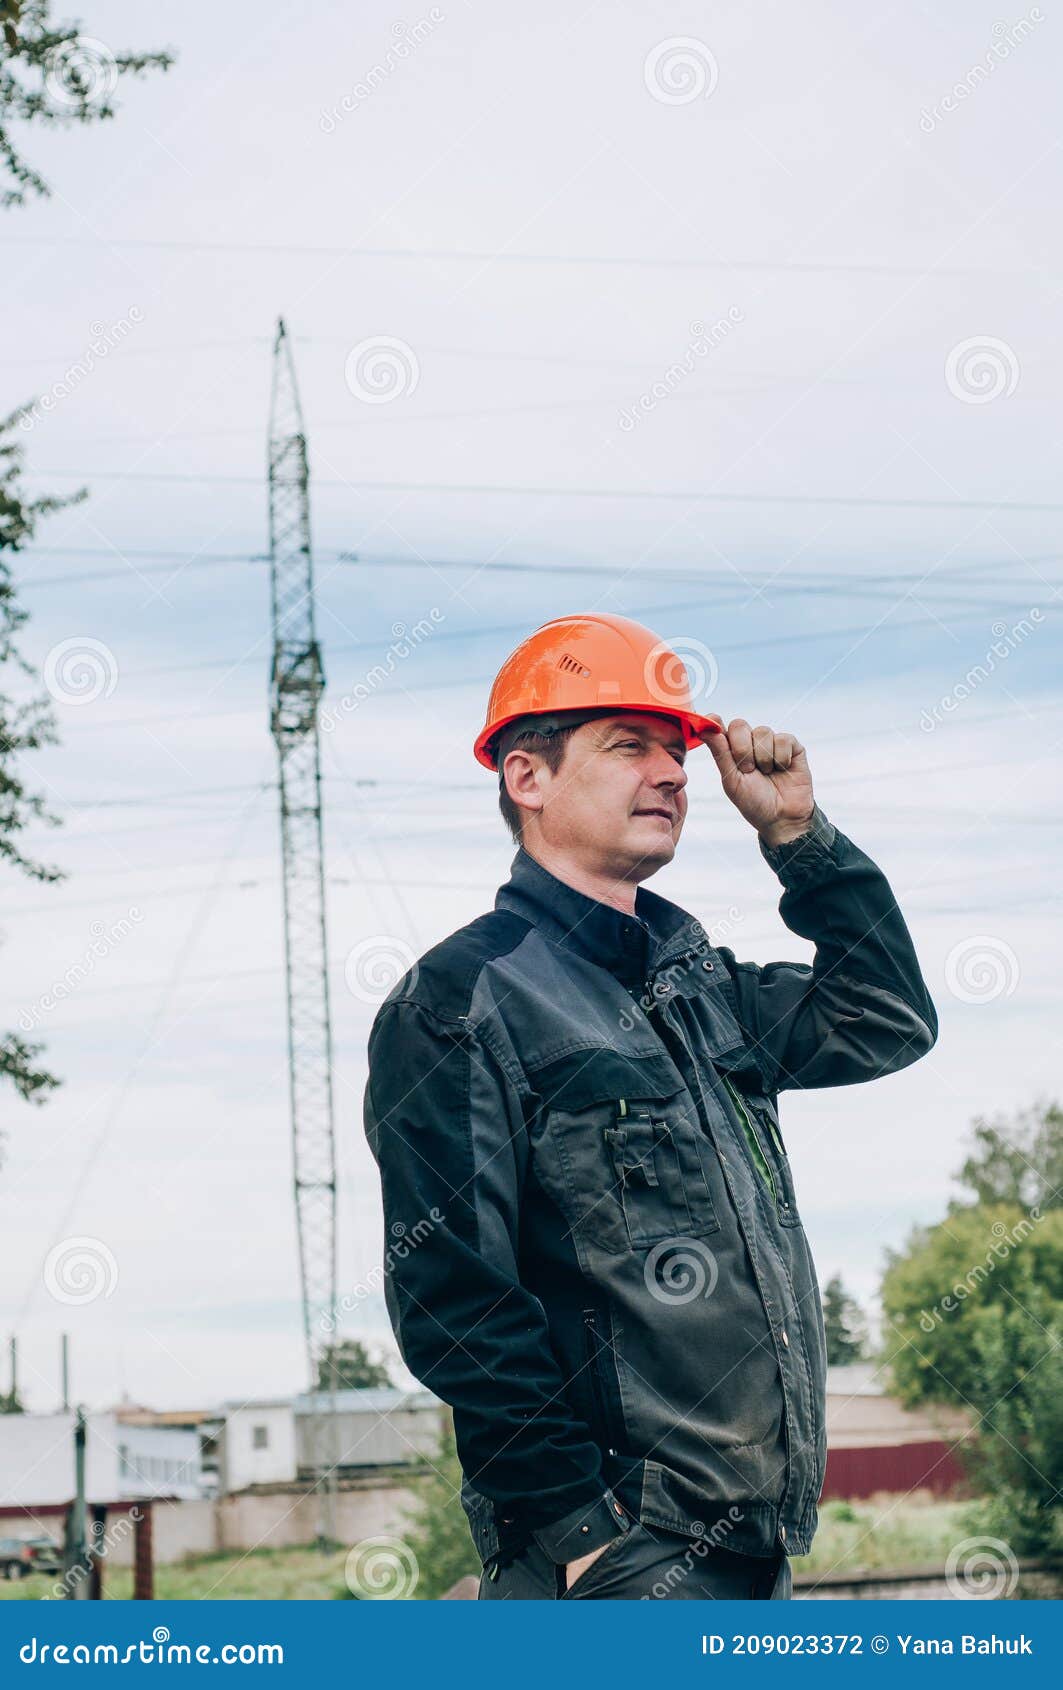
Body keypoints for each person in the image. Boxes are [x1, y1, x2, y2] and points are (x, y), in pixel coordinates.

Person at [362, 612, 938, 1600]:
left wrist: (798, 836)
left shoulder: (702, 990)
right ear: (527, 777)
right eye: (629, 745)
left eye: (674, 750)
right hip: (620, 1561)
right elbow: (451, 1298)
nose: (671, 773)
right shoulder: (460, 1001)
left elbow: (884, 1017)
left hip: (756, 1551)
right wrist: (582, 1533)